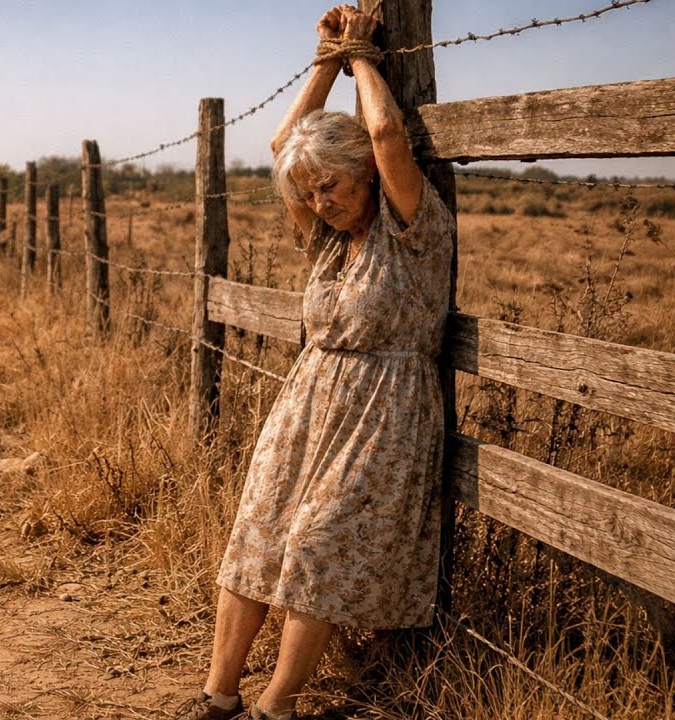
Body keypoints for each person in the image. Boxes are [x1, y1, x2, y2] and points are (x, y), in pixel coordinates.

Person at [174, 6, 455, 720]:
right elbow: (280, 145)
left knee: (319, 542)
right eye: (309, 191)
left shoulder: (414, 231)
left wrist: (362, 53)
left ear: (366, 173)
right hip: (311, 395)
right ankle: (218, 695)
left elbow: (388, 130)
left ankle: (275, 705)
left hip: (384, 407)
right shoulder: (327, 241)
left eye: (330, 184)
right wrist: (326, 55)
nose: (318, 201)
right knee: (259, 528)